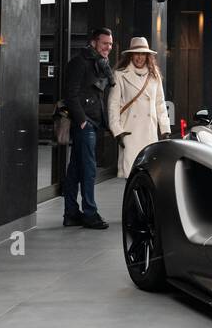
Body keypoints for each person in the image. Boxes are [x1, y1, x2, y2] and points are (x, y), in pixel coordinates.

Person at [62, 28, 115, 229]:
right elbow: (71, 94)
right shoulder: (79, 62)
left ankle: (71, 214)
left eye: (110, 44)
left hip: (93, 121)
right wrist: (82, 120)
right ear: (94, 42)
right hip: (85, 123)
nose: (108, 47)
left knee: (75, 169)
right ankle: (90, 214)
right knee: (89, 169)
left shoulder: (100, 63)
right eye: (104, 43)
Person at [107, 36, 171, 180]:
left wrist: (165, 130)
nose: (140, 57)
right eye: (136, 53)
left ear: (148, 56)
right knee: (131, 176)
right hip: (130, 132)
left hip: (149, 133)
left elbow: (160, 104)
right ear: (131, 55)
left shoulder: (154, 76)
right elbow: (113, 105)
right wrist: (117, 131)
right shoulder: (120, 74)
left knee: (149, 175)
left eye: (143, 54)